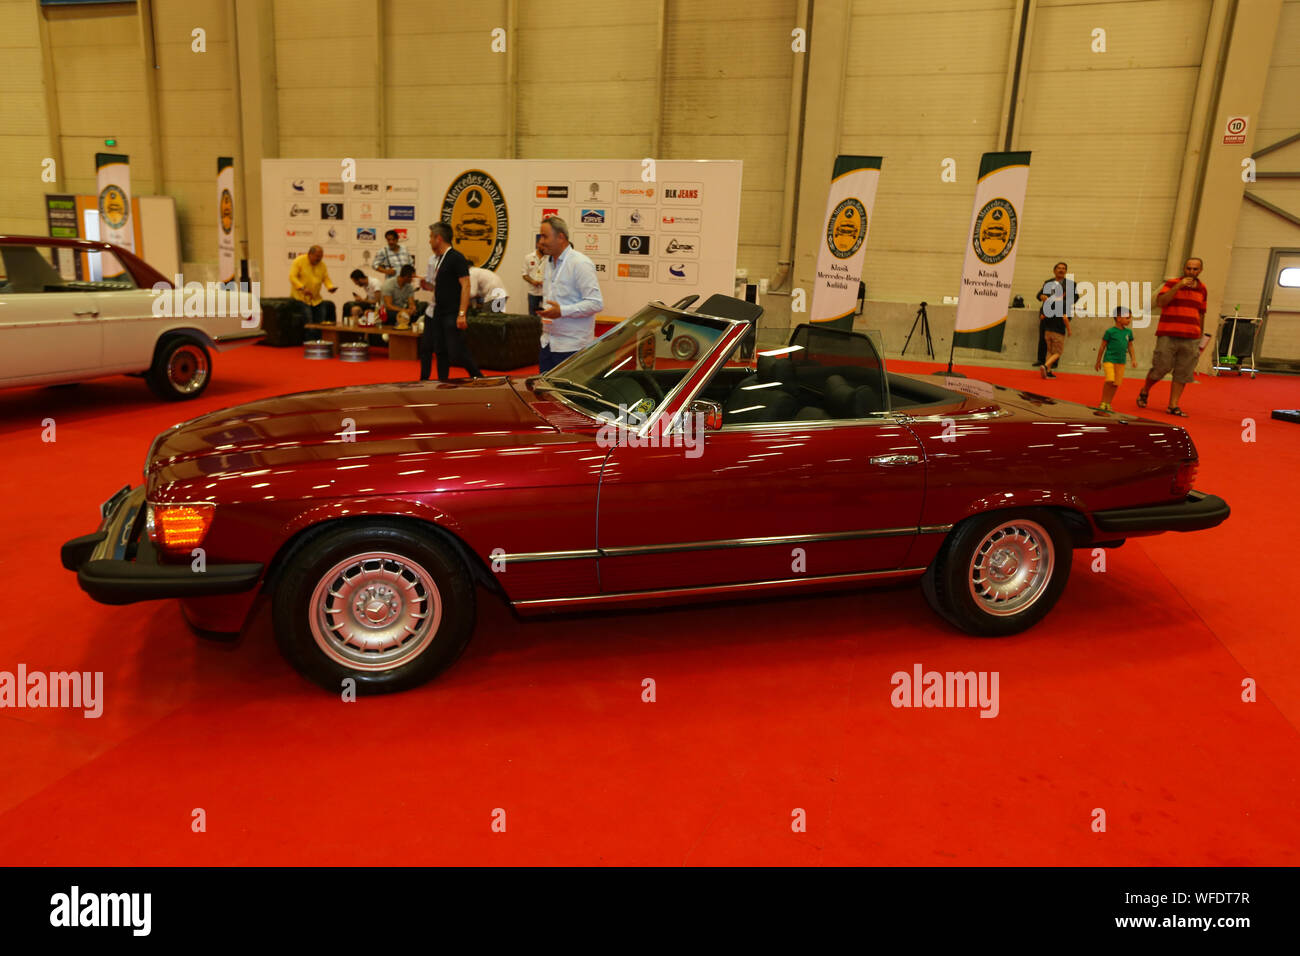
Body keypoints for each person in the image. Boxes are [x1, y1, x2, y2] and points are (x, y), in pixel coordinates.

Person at [1136, 257, 1206, 417]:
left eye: (1195, 269)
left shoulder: (1203, 289)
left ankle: (1173, 405)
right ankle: (1145, 389)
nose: (1191, 272)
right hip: (1168, 334)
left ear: (1200, 270)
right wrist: (1178, 286)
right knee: (1161, 368)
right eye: (1189, 268)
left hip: (1191, 336)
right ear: (1184, 268)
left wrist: (1200, 333)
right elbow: (1161, 302)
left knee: (1183, 372)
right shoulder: (1171, 283)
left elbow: (1201, 313)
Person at [416, 222, 482, 382]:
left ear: (439, 238)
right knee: (440, 350)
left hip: (452, 312)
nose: (429, 241)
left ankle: (480, 378)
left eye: (431, 237)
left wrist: (461, 314)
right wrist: (428, 285)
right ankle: (442, 382)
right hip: (439, 310)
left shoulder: (456, 257)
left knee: (457, 351)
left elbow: (466, 285)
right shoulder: (439, 259)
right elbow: (442, 286)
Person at [537, 215, 603, 372]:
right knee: (545, 396)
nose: (540, 242)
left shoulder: (580, 263)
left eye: (545, 236)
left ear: (560, 237)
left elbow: (596, 303)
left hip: (572, 347)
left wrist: (562, 311)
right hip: (547, 343)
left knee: (568, 396)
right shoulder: (548, 262)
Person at [1094, 306, 1136, 412]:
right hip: (1109, 360)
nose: (1129, 320)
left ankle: (1108, 403)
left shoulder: (1128, 333)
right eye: (1127, 318)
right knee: (1110, 380)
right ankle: (1103, 402)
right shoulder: (1110, 332)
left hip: (1121, 362)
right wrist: (1098, 361)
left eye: (1130, 318)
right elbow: (1102, 346)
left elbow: (1130, 346)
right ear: (1118, 318)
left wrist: (1133, 359)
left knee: (1115, 384)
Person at [1037, 262, 1074, 379]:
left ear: (1066, 271)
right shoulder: (1048, 282)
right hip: (1057, 326)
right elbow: (1039, 295)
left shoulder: (1071, 285)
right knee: (1056, 350)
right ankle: (1045, 364)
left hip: (1049, 322)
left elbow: (1075, 298)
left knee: (1050, 349)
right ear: (1054, 270)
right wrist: (1069, 329)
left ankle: (1048, 369)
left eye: (1064, 268)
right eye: (1059, 268)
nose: (1061, 270)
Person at [288, 245, 338, 330]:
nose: (319, 259)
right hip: (301, 298)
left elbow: (326, 278)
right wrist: (303, 288)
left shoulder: (322, 265)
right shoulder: (299, 261)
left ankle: (319, 340)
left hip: (316, 299)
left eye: (321, 257)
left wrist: (330, 287)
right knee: (309, 322)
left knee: (321, 321)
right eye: (317, 256)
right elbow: (292, 277)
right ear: (310, 254)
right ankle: (309, 340)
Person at [522, 234, 546, 315]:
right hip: (533, 292)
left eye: (545, 245)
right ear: (537, 244)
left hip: (546, 292)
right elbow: (524, 274)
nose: (543, 247)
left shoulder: (550, 258)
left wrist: (545, 282)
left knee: (546, 316)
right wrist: (532, 281)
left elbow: (555, 274)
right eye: (542, 244)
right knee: (532, 317)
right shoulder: (528, 257)